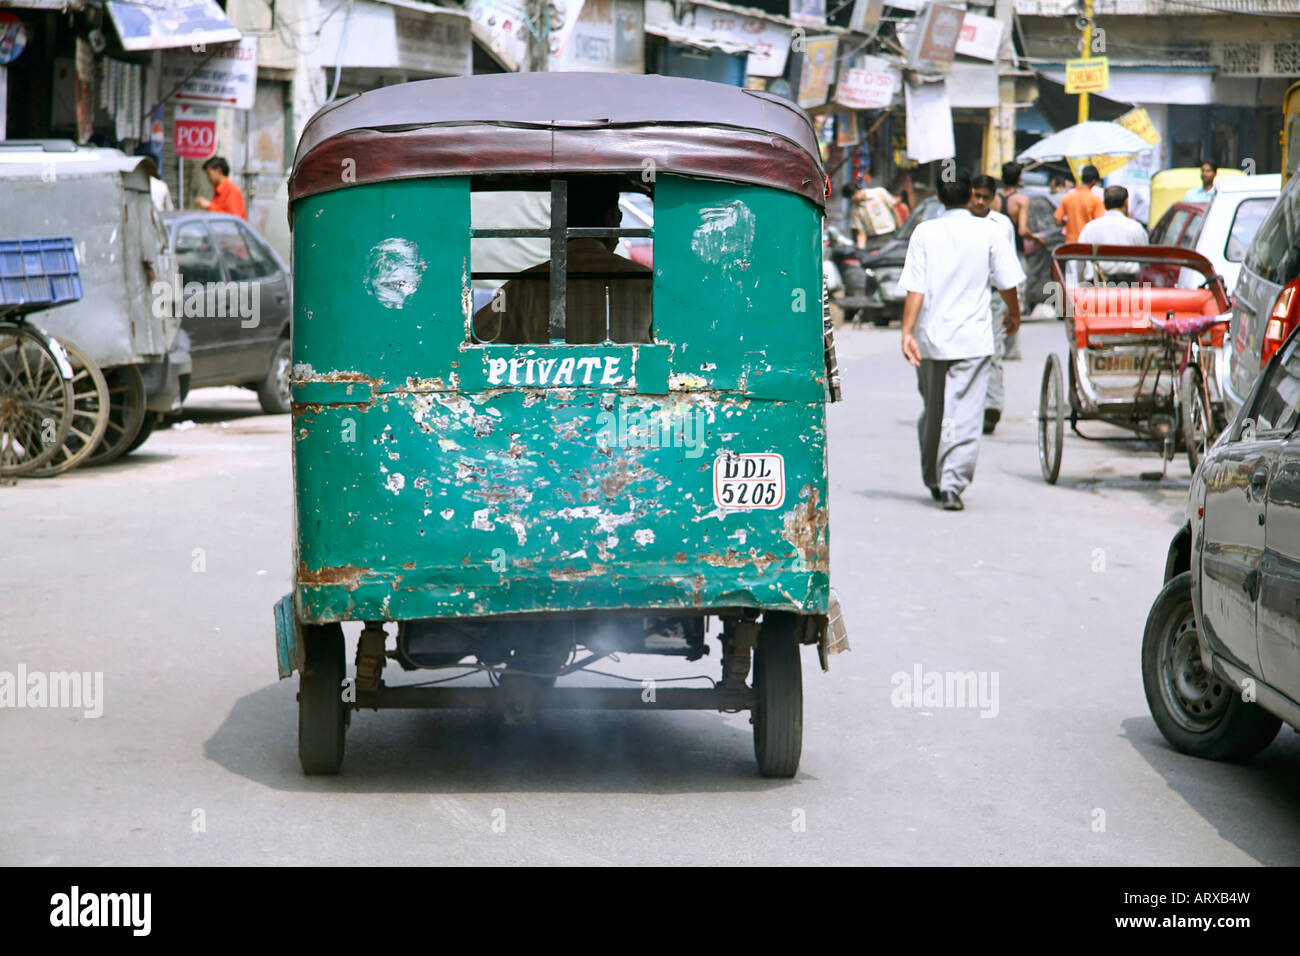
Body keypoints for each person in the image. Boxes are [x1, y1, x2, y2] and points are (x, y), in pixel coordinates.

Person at [899, 168, 1025, 511]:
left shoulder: (925, 231)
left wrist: (906, 331)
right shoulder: (990, 231)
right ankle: (952, 483)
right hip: (972, 338)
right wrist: (1014, 313)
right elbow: (1007, 282)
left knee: (935, 410)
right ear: (971, 195)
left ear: (939, 197)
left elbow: (915, 289)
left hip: (930, 337)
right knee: (965, 413)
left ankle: (934, 478)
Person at [472, 178, 651, 345]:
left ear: (558, 221)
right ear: (609, 219)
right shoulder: (647, 283)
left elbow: (478, 337)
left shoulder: (523, 286)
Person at [969, 175, 1021, 437]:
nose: (979, 201)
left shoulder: (1002, 225)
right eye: (975, 195)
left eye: (984, 197)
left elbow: (1007, 269)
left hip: (993, 296)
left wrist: (1014, 308)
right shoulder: (959, 223)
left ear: (993, 198)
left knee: (993, 351)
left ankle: (991, 407)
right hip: (964, 294)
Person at [991, 161, 1045, 362]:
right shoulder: (1021, 200)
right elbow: (1022, 230)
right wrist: (1036, 238)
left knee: (997, 295)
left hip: (995, 253)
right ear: (1019, 178)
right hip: (1015, 254)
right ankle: (1011, 348)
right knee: (1015, 297)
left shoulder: (993, 199)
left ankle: (995, 342)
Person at [1076, 185, 1149, 282]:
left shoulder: (1090, 228)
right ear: (1126, 203)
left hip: (1097, 286)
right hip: (1128, 286)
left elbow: (1079, 261)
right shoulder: (1136, 228)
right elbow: (1144, 260)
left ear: (1104, 204)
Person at [1054, 164, 1104, 243]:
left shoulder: (1068, 196)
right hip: (1088, 243)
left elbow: (1058, 221)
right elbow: (1100, 223)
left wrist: (1070, 221)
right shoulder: (1095, 199)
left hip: (1071, 243)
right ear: (1094, 181)